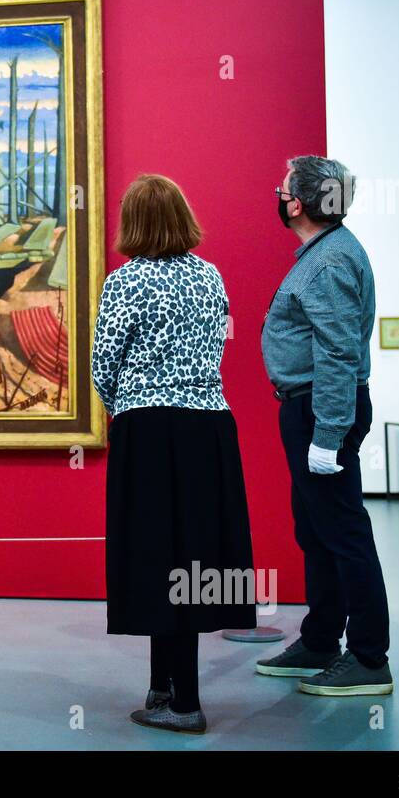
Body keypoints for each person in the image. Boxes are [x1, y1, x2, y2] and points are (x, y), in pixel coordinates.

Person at [92, 174, 257, 735]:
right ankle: (163, 687)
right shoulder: (210, 277)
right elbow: (215, 350)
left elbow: (102, 364)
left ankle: (183, 701)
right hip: (208, 428)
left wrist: (128, 407)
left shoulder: (126, 281)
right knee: (191, 558)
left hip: (150, 430)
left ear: (132, 222)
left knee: (154, 554)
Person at [256, 155, 394, 697]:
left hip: (322, 407)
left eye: (284, 186)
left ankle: (368, 658)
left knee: (344, 534)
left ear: (298, 203)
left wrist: (328, 435)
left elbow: (337, 352)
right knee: (317, 531)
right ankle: (319, 641)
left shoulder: (329, 263)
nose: (277, 190)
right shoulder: (325, 253)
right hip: (311, 405)